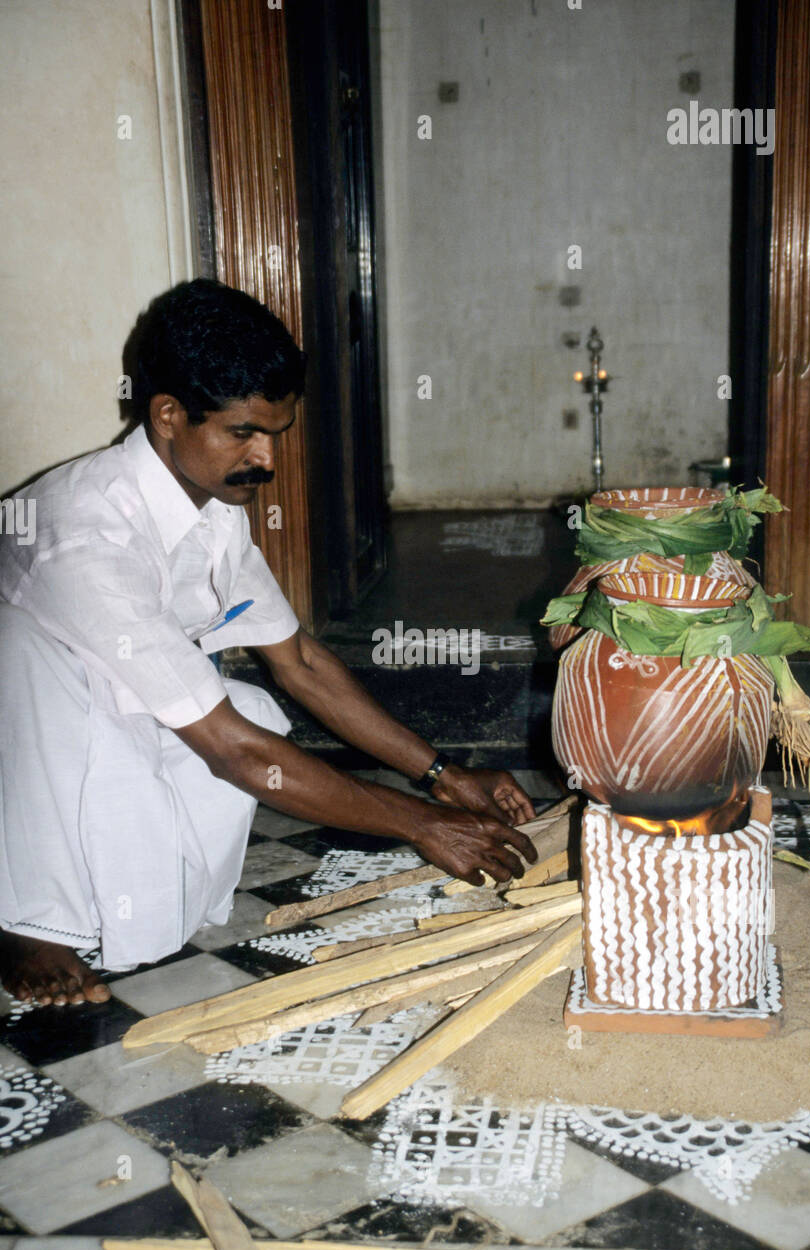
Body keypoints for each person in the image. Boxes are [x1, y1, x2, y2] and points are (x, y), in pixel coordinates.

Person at [0, 279, 536, 1008]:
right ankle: (24, 921)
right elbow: (235, 752)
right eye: (242, 433)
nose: (265, 460)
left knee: (243, 723)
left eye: (274, 434)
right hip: (25, 707)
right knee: (50, 674)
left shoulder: (210, 501)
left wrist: (442, 774)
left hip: (90, 691)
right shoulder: (88, 538)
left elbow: (301, 661)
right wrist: (421, 823)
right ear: (167, 415)